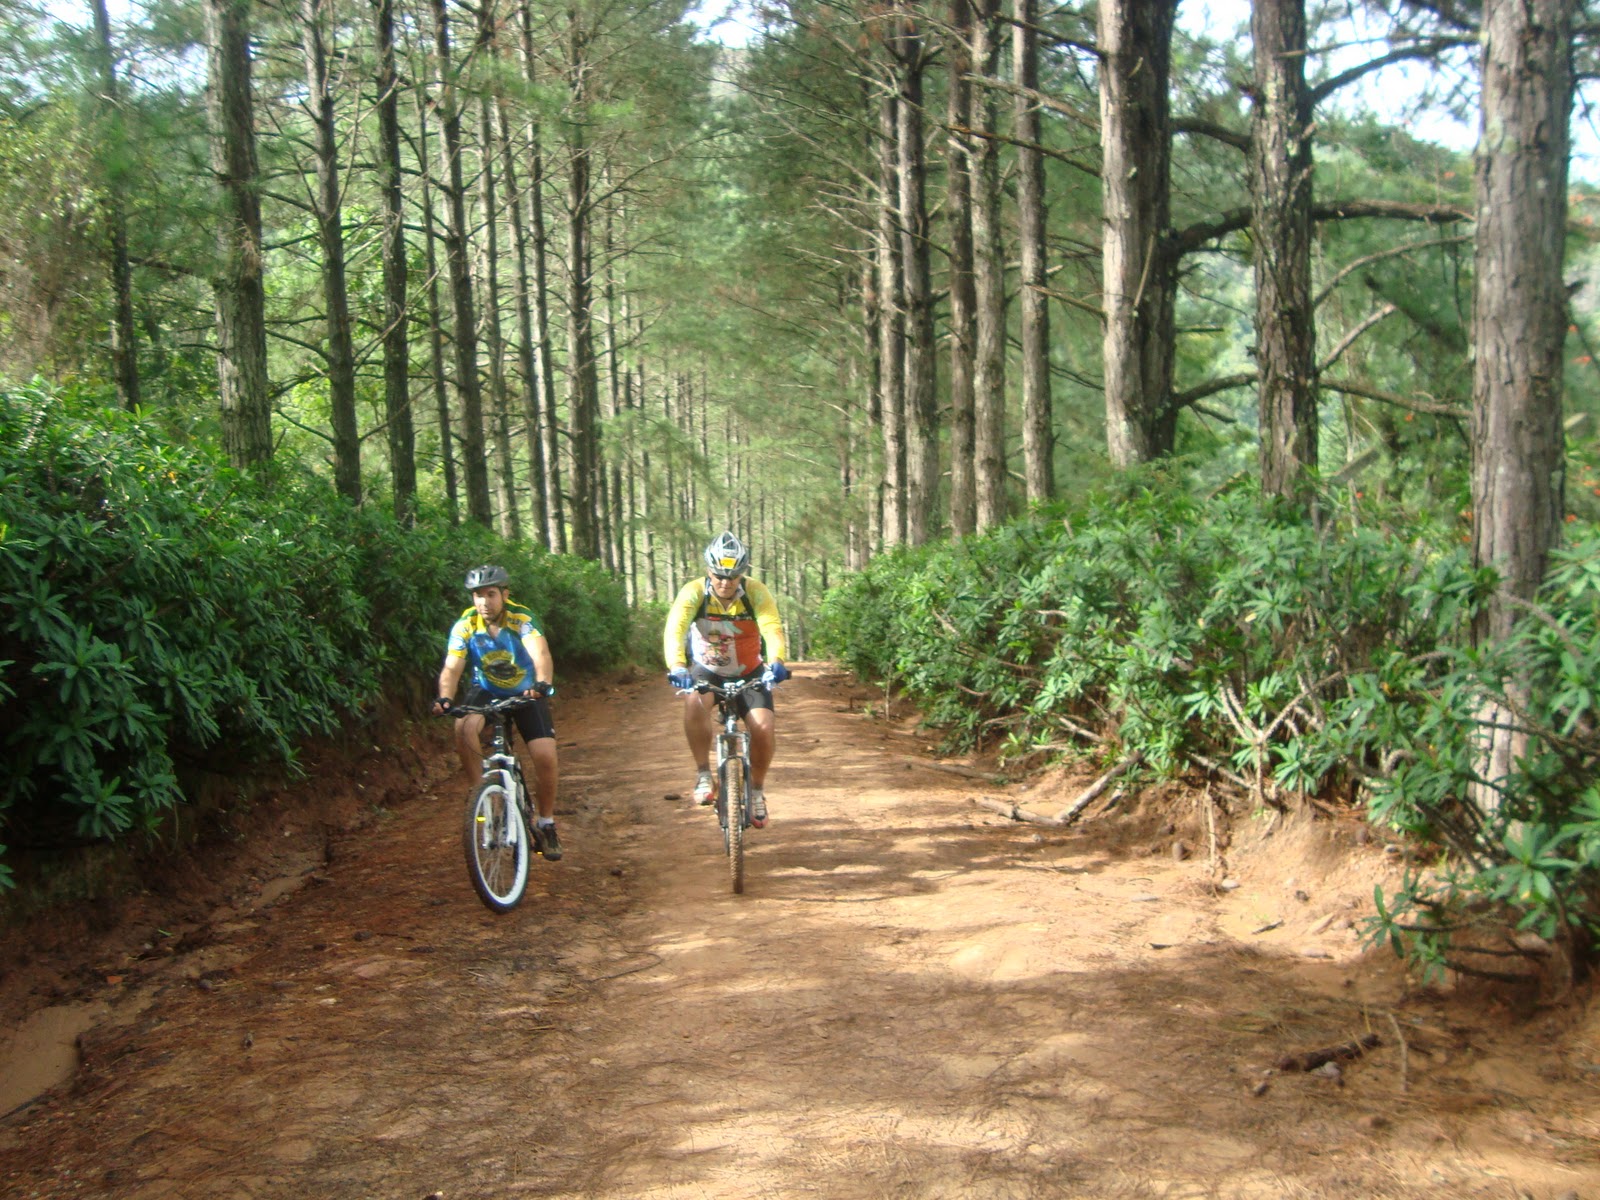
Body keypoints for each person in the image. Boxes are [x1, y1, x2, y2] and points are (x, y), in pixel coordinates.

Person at [431, 564, 562, 860]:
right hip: (487, 688)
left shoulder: (521, 618)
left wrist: (543, 683)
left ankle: (546, 822)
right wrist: (445, 698)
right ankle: (482, 797)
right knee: (463, 727)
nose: (483, 602)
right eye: (477, 596)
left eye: (490, 594)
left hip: (527, 690)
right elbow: (452, 667)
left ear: (504, 594)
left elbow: (541, 653)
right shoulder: (465, 624)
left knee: (544, 755)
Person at [663, 531, 790, 827]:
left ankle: (757, 790)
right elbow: (675, 628)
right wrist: (678, 666)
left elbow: (772, 627)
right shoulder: (693, 592)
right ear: (709, 570)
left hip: (750, 671)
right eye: (719, 574)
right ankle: (703, 774)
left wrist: (777, 662)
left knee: (764, 727)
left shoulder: (756, 592)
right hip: (708, 670)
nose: (725, 582)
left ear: (742, 574)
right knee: (694, 704)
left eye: (733, 576)